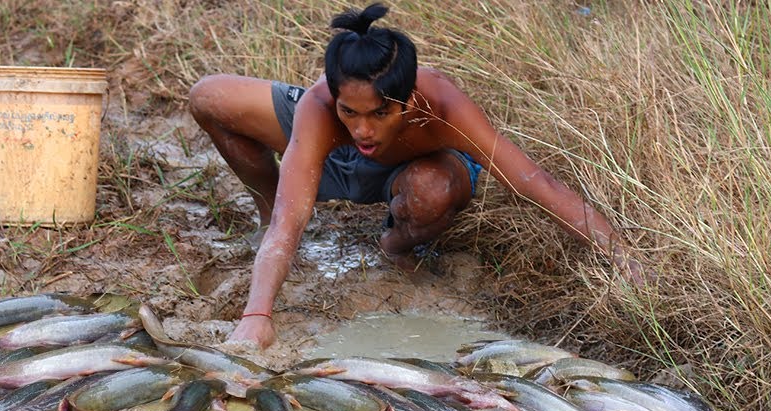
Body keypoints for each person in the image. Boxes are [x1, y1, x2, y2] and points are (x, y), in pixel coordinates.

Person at [188, 3, 642, 349]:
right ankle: (262, 221)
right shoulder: (320, 106)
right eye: (350, 112)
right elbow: (294, 217)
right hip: (331, 157)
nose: (363, 129)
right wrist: (256, 315)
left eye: (380, 114)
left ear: (407, 101)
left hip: (408, 174)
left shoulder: (442, 103)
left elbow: (535, 183)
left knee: (432, 190)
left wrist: (624, 256)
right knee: (210, 96)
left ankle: (396, 243)